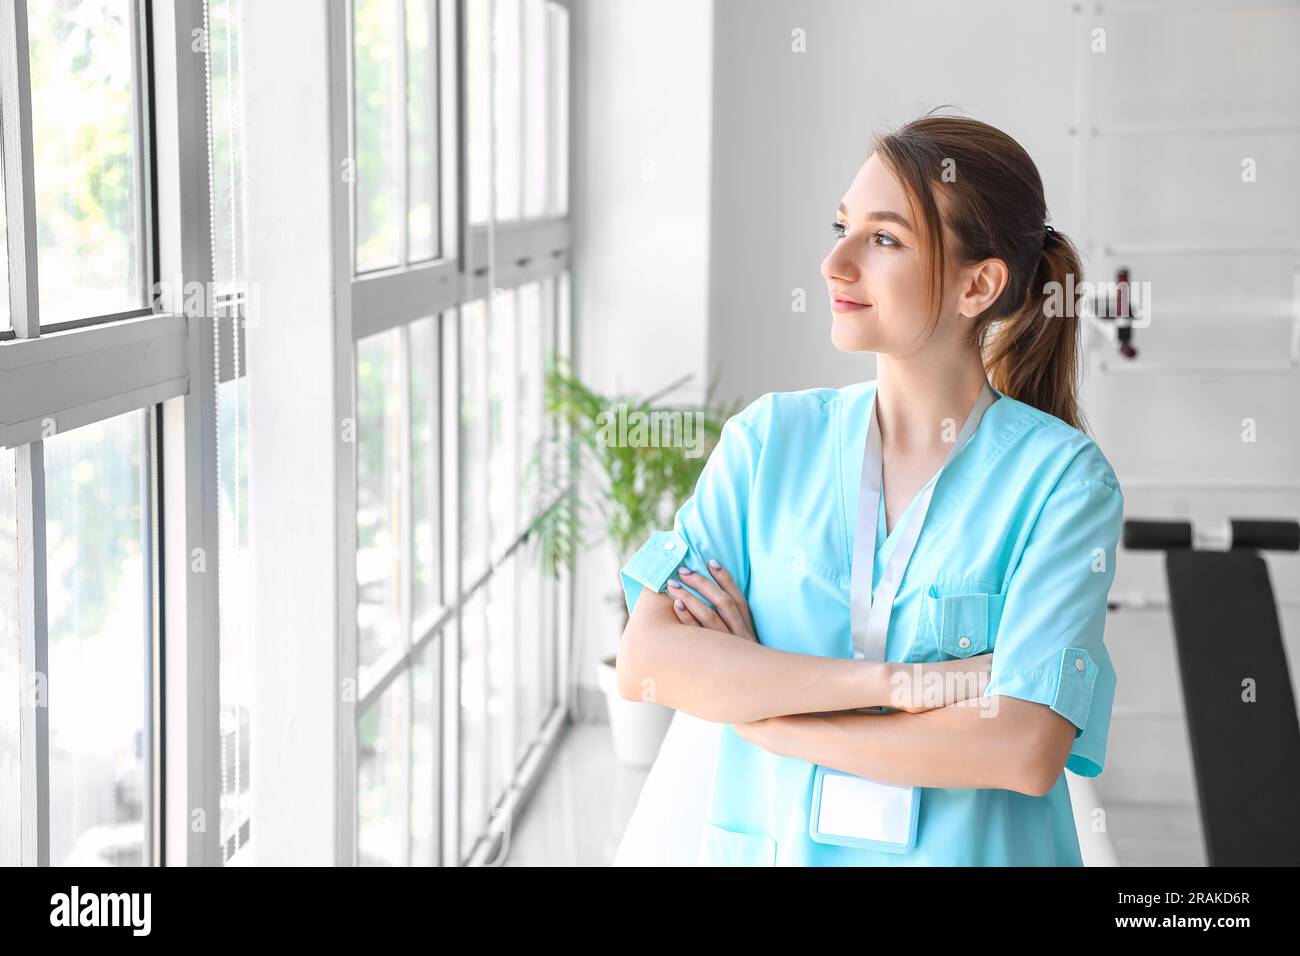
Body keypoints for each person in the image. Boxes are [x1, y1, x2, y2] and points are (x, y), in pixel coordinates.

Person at [615, 110, 1125, 866]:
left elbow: (1023, 746)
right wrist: (904, 684)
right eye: (841, 226)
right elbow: (650, 662)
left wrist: (767, 712)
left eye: (883, 239)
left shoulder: (1062, 482)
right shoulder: (768, 444)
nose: (834, 263)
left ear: (977, 285)